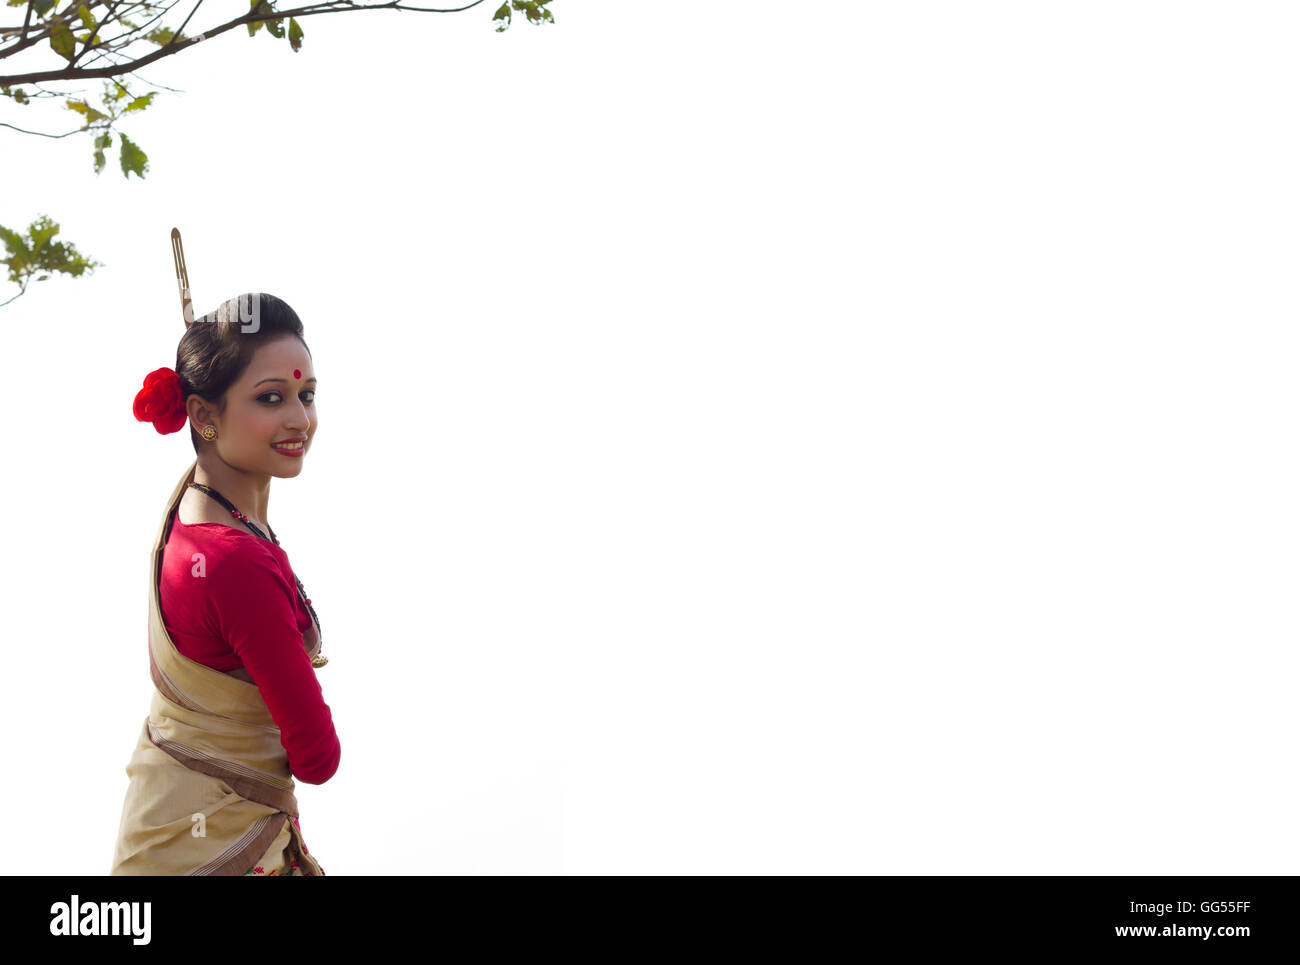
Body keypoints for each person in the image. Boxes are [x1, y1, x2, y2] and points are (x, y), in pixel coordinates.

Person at [111, 292, 340, 875]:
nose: (300, 419)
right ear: (202, 416)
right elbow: (316, 756)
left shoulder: (191, 513)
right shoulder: (236, 561)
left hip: (166, 831)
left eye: (306, 395)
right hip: (225, 851)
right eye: (271, 398)